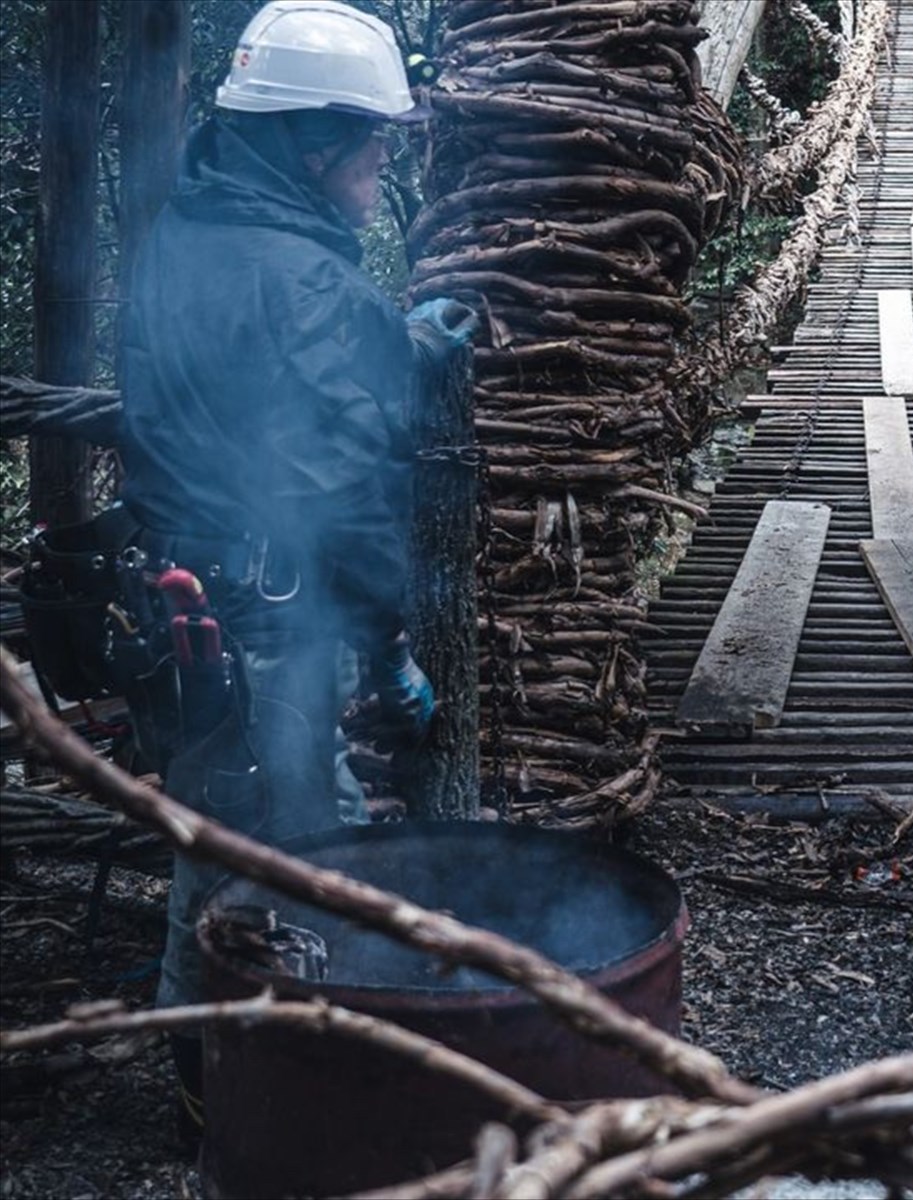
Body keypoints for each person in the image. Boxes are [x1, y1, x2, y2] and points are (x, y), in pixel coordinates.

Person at [113, 0, 476, 1141]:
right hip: (266, 629)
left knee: (215, 844)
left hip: (183, 611)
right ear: (313, 142)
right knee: (257, 872)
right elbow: (345, 492)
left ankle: (241, 1096)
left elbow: (250, 387)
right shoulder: (314, 285)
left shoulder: (184, 232)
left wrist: (394, 344)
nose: (383, 165)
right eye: (375, 142)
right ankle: (241, 1116)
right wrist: (391, 649)